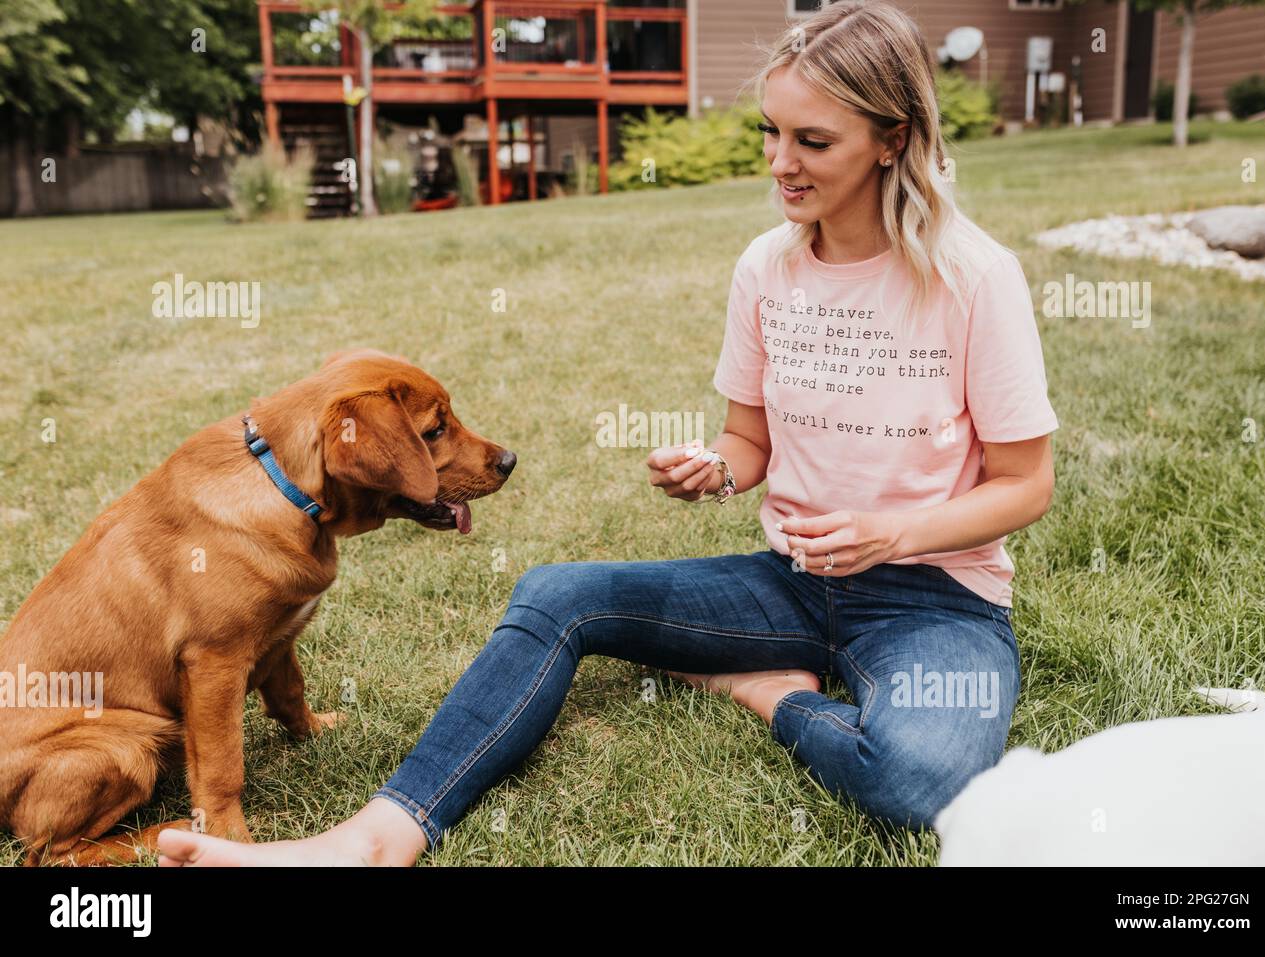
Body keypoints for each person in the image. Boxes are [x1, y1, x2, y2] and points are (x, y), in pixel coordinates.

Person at [158, 0, 1057, 867]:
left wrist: (892, 534)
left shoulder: (974, 278)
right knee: (558, 594)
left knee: (914, 777)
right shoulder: (768, 266)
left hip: (935, 601)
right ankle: (375, 839)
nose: (781, 162)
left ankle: (770, 689)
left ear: (892, 139)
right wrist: (713, 468)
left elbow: (1026, 484)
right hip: (790, 581)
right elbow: (748, 444)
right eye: (770, 133)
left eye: (813, 141)